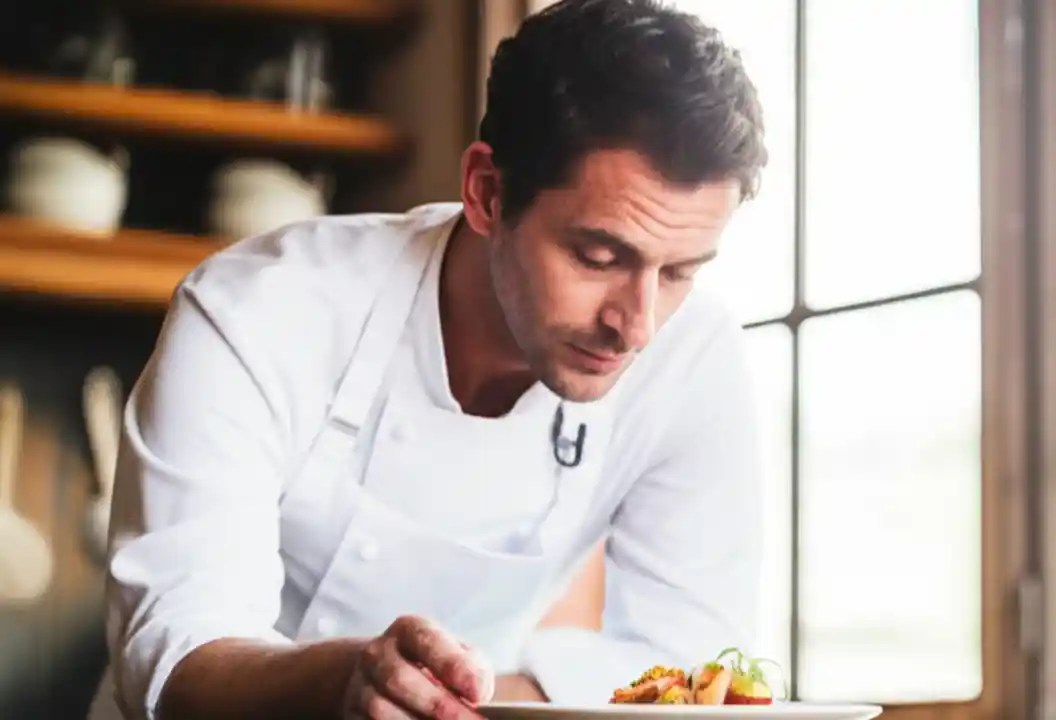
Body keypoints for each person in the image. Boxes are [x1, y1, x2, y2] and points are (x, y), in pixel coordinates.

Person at [90, 0, 768, 717]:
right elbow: (175, 649)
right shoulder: (260, 309)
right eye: (599, 257)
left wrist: (458, 700)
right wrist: (345, 683)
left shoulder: (695, 358)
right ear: (486, 192)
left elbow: (686, 660)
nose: (637, 325)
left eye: (680, 272)